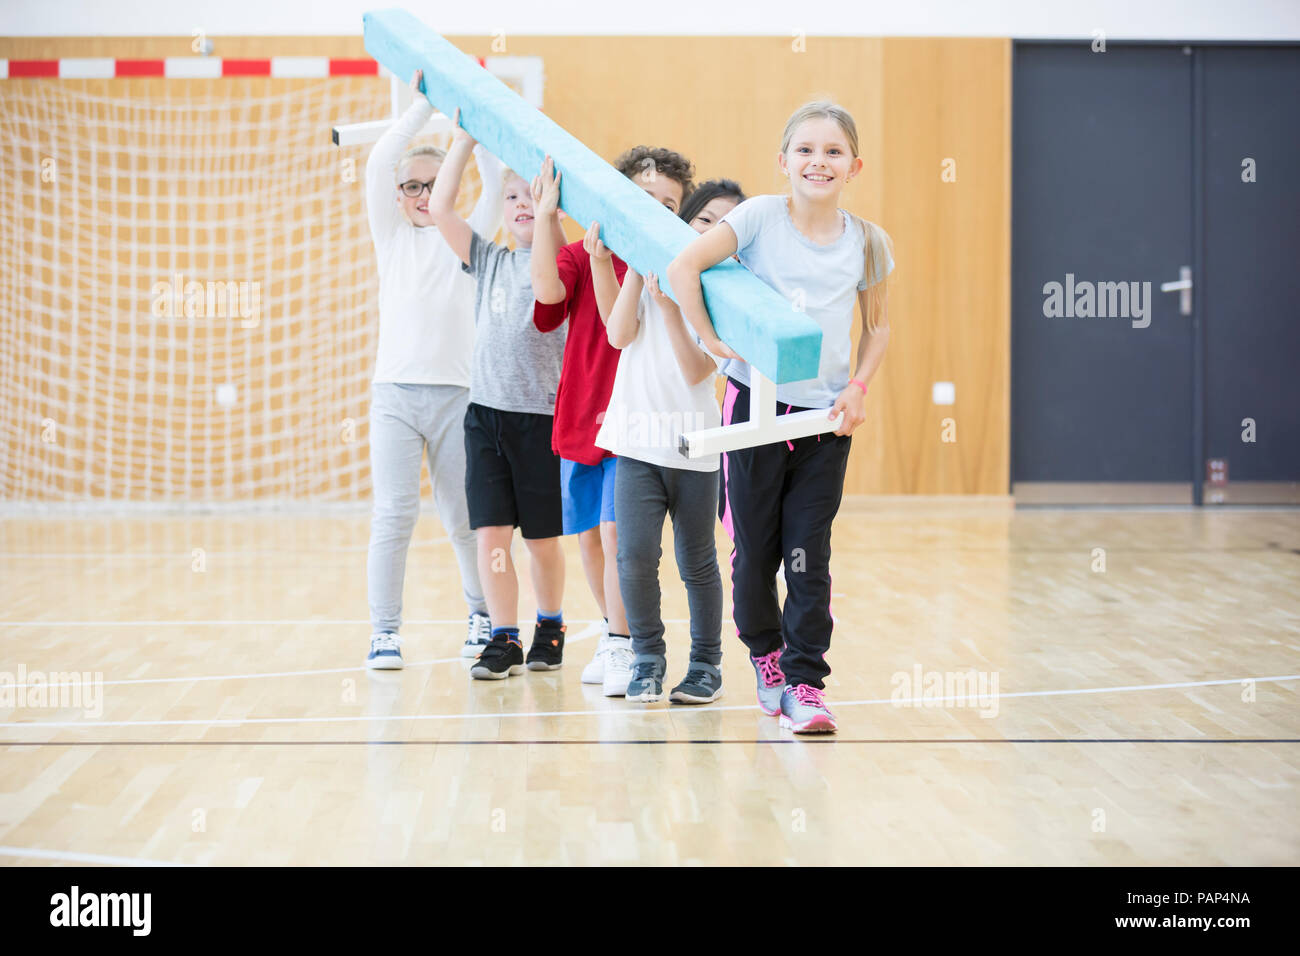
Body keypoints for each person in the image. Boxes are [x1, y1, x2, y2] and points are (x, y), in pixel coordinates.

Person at [666, 101, 894, 733]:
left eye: (833, 152)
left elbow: (876, 327)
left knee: (808, 551)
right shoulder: (761, 216)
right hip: (754, 409)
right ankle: (765, 655)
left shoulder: (869, 241)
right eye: (806, 150)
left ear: (854, 166)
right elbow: (685, 265)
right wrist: (710, 338)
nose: (818, 162)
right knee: (755, 551)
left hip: (823, 421)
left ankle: (806, 681)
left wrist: (858, 387)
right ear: (783, 160)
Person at [363, 70, 502, 669]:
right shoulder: (391, 237)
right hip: (395, 396)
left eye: (434, 184)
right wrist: (424, 103)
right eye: (412, 186)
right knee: (393, 514)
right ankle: (384, 632)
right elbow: (380, 162)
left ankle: (480, 614)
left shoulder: (466, 236)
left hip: (456, 397)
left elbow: (493, 179)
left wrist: (470, 126)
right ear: (398, 195)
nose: (423, 195)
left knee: (464, 519)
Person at [594, 180, 747, 704]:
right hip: (637, 445)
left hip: (693, 447)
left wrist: (668, 309)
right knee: (634, 557)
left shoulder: (726, 292)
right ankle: (647, 660)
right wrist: (637, 270)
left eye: (725, 226)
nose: (711, 231)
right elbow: (617, 335)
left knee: (696, 561)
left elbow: (696, 370)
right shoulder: (651, 267)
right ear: (686, 221)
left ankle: (706, 665)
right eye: (704, 220)